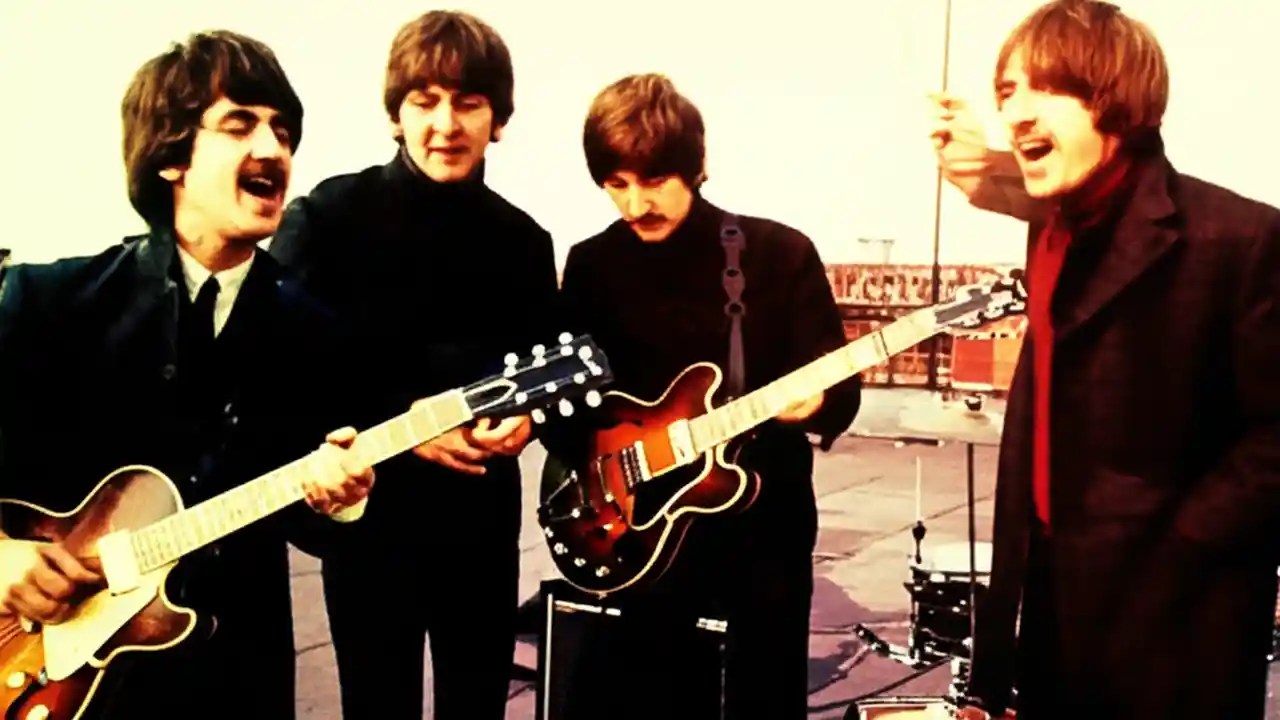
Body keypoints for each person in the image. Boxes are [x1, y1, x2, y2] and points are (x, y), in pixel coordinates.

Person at [0, 30, 377, 720]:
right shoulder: (46, 303)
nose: (273, 149)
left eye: (283, 131)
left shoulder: (317, 327)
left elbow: (317, 525)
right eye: (240, 125)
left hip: (240, 674)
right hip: (55, 671)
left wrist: (341, 496)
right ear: (171, 155)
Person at [928, 2, 1280, 718]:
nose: (1016, 113)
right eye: (1006, 93)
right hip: (1054, 616)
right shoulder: (1054, 232)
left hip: (1178, 632)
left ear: (1116, 102)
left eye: (1045, 89)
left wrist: (1175, 547)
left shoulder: (1242, 238)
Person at [268, 10, 560, 720]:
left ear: (497, 118)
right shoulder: (330, 216)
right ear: (396, 116)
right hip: (371, 529)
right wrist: (405, 424)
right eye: (424, 102)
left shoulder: (524, 241)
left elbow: (547, 367)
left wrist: (528, 419)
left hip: (481, 528)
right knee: (377, 704)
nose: (446, 124)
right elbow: (281, 370)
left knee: (477, 703)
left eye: (468, 102)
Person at [543, 72, 861, 720]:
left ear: (699, 166)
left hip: (759, 532)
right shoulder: (591, 265)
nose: (636, 206)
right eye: (617, 185)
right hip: (641, 526)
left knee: (761, 697)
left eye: (654, 180)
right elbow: (564, 406)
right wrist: (613, 465)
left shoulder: (778, 253)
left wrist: (818, 402)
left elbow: (841, 387)